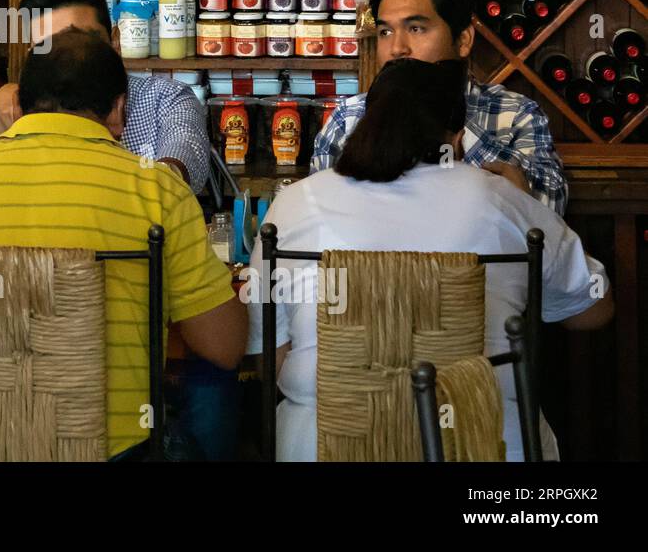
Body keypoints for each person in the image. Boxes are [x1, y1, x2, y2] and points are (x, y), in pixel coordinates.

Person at [250, 58, 613, 461]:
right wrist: (527, 204)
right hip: (484, 443)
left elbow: (270, 357)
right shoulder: (499, 199)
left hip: (321, 446)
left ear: (368, 123)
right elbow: (593, 309)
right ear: (456, 136)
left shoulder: (294, 203)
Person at [0, 29, 247, 460]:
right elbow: (224, 347)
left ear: (21, 106)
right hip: (119, 451)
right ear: (118, 110)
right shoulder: (155, 190)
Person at [311, 0, 568, 214]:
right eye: (385, 31)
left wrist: (447, 126)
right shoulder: (348, 118)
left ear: (463, 41)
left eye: (416, 28)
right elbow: (321, 216)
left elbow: (549, 210)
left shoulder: (517, 115)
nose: (397, 48)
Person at [0, 0, 210, 192]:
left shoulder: (165, 99)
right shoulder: (18, 108)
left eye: (84, 44)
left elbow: (181, 167)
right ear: (31, 56)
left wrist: (162, 179)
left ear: (115, 42)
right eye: (49, 49)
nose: (68, 61)